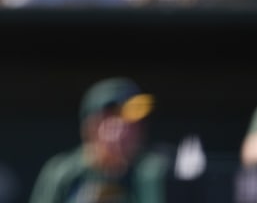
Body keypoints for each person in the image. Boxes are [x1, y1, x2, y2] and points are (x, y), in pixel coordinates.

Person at [30, 77, 168, 203]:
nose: (127, 130)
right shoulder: (64, 172)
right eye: (115, 121)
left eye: (133, 122)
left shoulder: (154, 170)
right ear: (90, 127)